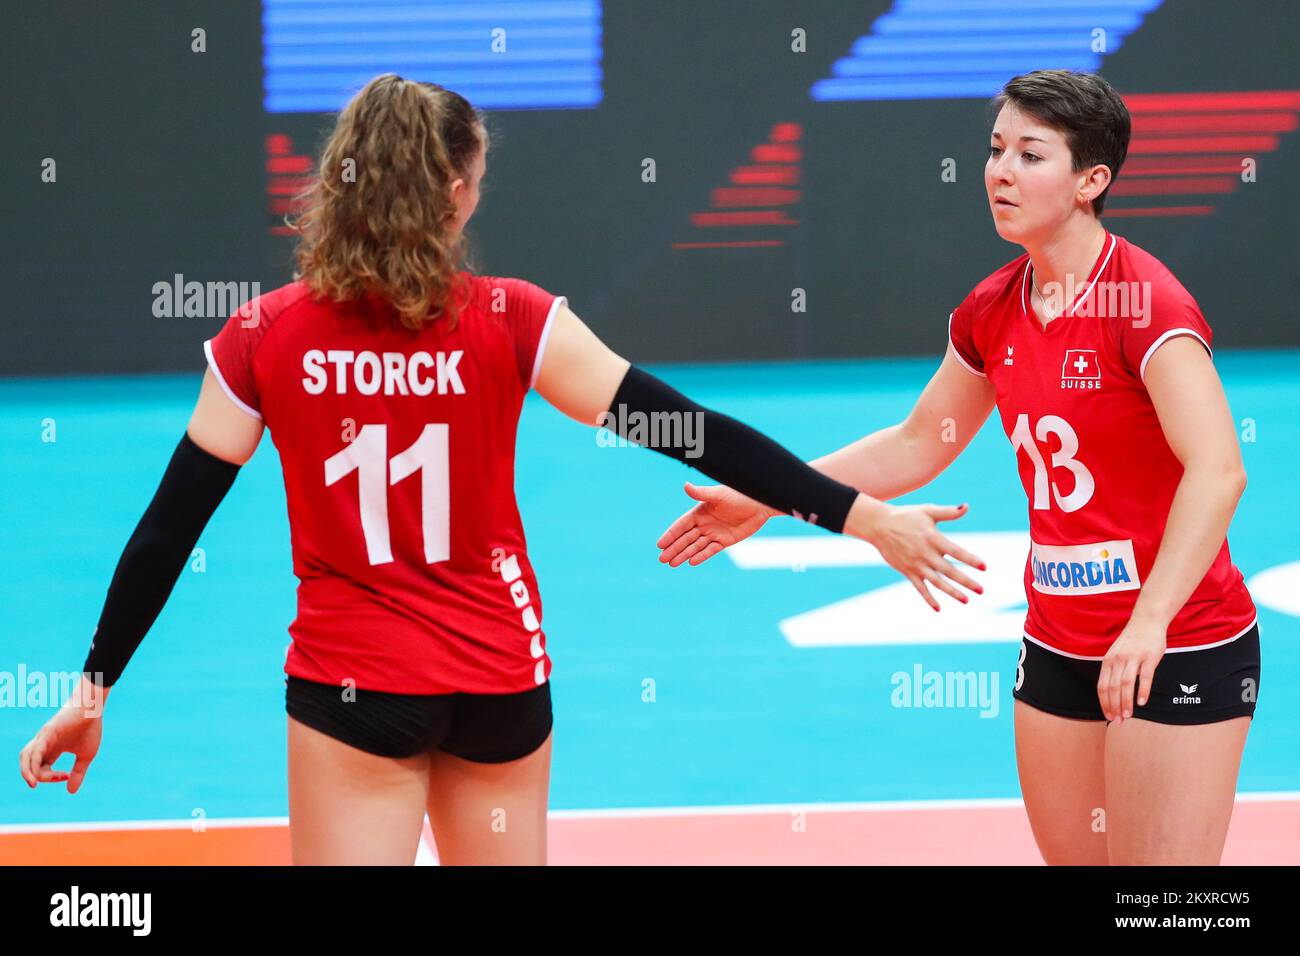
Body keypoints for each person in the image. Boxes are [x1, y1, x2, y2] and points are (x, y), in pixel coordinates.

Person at [17, 74, 984, 865]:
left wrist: (93, 689)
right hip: (496, 680)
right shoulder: (513, 319)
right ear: (454, 194)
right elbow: (697, 434)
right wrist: (863, 517)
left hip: (354, 684)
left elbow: (169, 527)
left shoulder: (264, 335)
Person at [657, 69, 1259, 866]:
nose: (1001, 172)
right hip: (1059, 638)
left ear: (1091, 182)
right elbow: (921, 442)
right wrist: (766, 497)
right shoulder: (994, 307)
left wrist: (1147, 625)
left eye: (1030, 155)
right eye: (996, 149)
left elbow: (1218, 470)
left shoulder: (1145, 304)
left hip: (1176, 640)